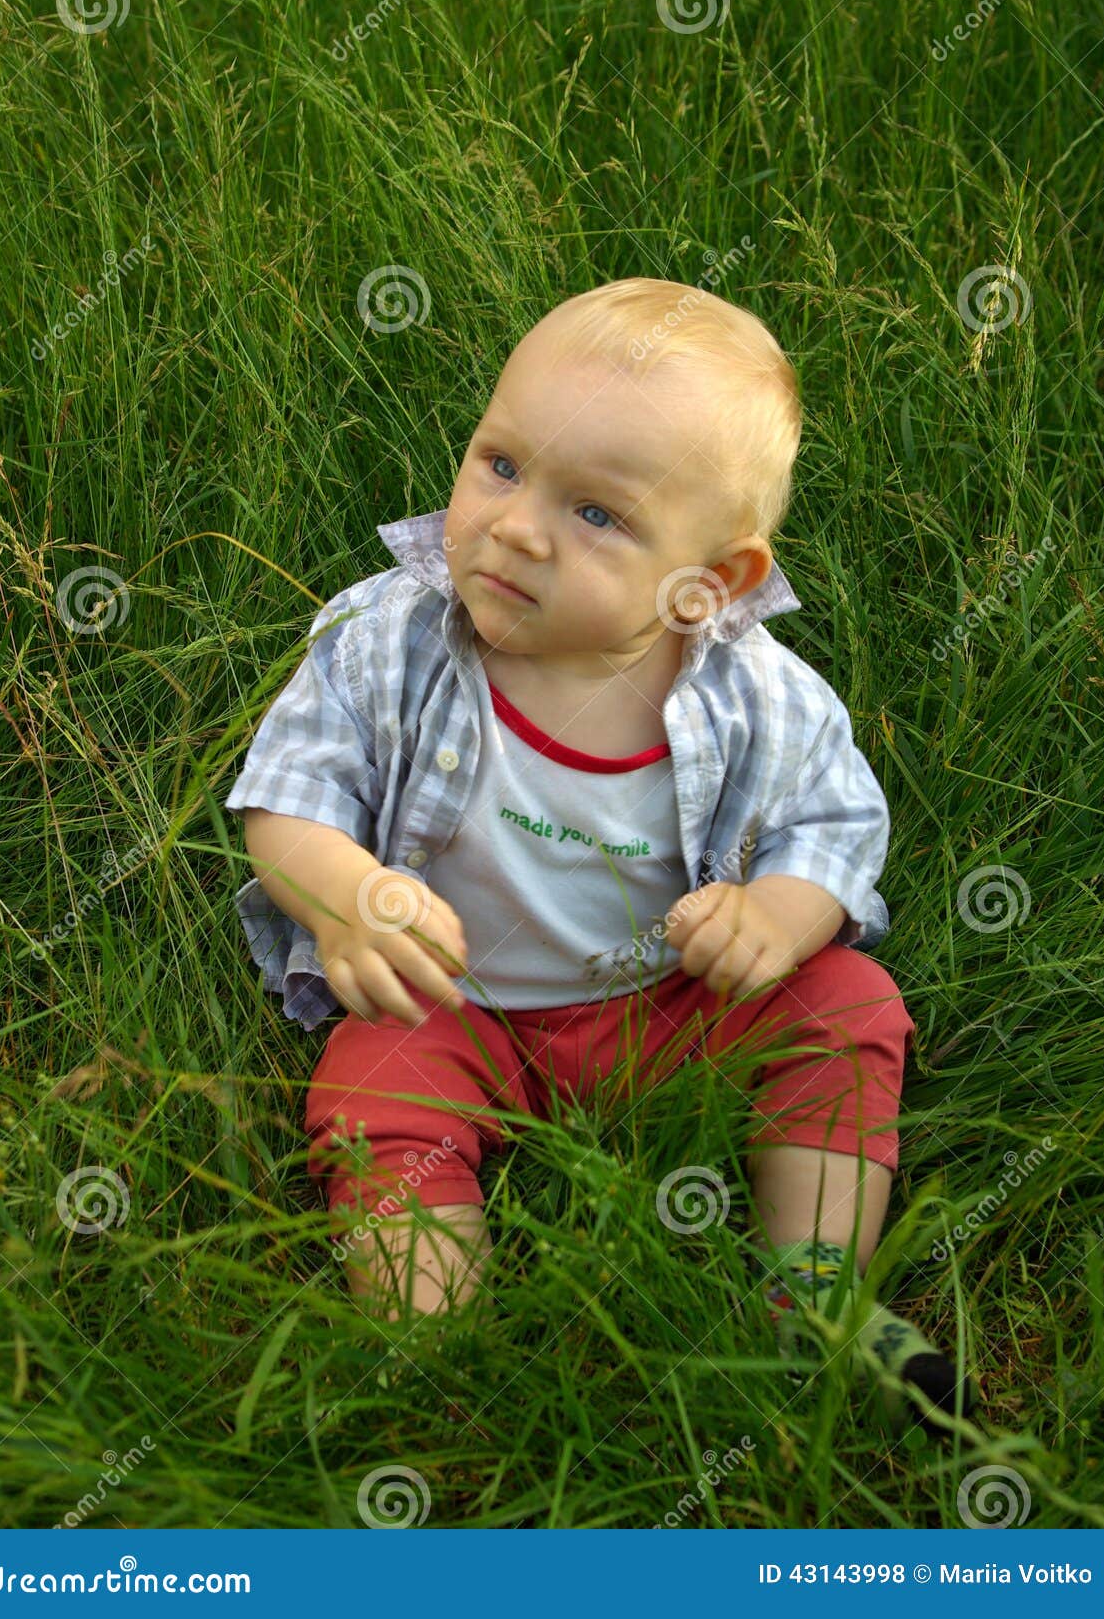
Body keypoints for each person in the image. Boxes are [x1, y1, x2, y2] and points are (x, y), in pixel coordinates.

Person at [223, 276, 973, 1425]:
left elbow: (836, 825)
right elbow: (284, 796)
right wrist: (344, 896)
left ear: (707, 583)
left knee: (847, 1001)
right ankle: (437, 1341)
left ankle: (814, 1291)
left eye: (596, 515)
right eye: (502, 463)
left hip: (668, 1005)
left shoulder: (758, 697)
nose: (514, 526)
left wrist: (776, 913)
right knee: (373, 1082)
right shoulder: (389, 636)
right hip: (454, 1003)